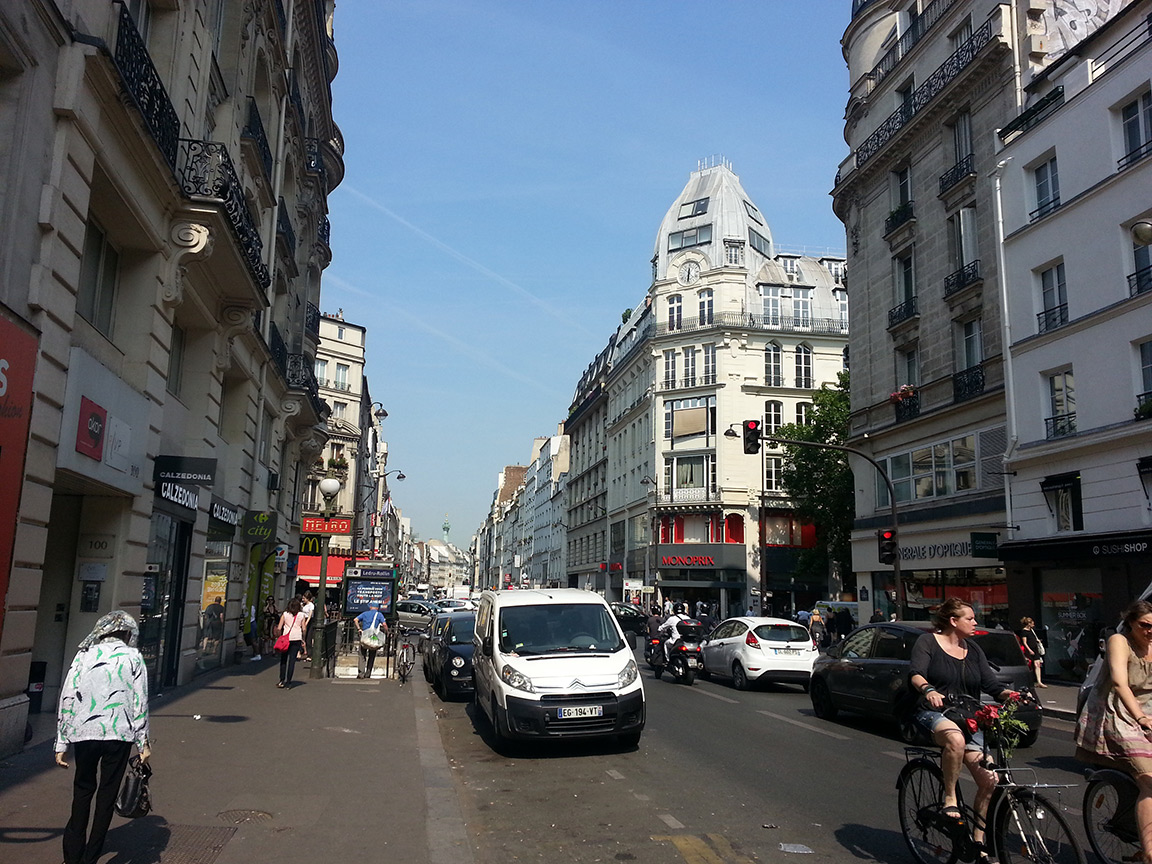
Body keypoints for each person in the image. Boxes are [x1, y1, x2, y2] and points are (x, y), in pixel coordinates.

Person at [909, 598, 1017, 859]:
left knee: (990, 779)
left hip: (968, 718)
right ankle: (949, 799)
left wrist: (1009, 695)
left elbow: (991, 685)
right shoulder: (927, 643)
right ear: (953, 621)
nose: (975, 622)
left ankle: (978, 844)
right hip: (934, 713)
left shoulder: (974, 650)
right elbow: (916, 673)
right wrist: (929, 690)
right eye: (970, 618)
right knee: (955, 740)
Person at [54, 611, 150, 864]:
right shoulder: (133, 658)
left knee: (82, 790)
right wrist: (143, 742)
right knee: (107, 795)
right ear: (127, 633)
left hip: (85, 733)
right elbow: (139, 701)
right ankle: (91, 856)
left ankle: (72, 856)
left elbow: (68, 696)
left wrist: (61, 742)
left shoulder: (84, 655)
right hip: (119, 735)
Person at [1075, 600, 1152, 862]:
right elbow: (1120, 683)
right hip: (1119, 714)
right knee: (1149, 780)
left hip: (1149, 713)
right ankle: (1149, 852)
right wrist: (1141, 717)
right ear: (1131, 622)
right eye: (1145, 625)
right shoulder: (1119, 640)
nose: (1150, 630)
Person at [276, 597, 306, 689]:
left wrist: (279, 636)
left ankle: (281, 680)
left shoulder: (285, 614)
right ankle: (289, 682)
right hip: (296, 638)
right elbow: (304, 628)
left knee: (283, 660)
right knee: (292, 660)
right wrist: (303, 638)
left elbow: (279, 628)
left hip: (286, 639)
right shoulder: (301, 615)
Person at [354, 602, 388, 679]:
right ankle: (368, 673)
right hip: (373, 637)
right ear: (377, 608)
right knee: (372, 655)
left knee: (362, 654)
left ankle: (361, 673)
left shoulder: (365, 613)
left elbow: (355, 619)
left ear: (370, 607)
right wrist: (387, 632)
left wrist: (359, 629)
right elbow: (384, 624)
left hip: (364, 636)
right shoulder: (379, 615)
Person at [1018, 616, 1046, 688]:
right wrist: (1029, 650)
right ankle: (1028, 681)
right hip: (1030, 650)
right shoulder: (1024, 632)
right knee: (1029, 665)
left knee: (1037, 664)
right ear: (1028, 624)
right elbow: (1024, 642)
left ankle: (1039, 681)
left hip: (1035, 649)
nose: (1033, 625)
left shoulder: (1031, 630)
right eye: (1032, 624)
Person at [299, 591, 315, 661]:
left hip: (308, 620)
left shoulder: (311, 605)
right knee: (302, 637)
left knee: (308, 638)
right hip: (303, 619)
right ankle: (302, 651)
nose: (303, 600)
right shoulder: (303, 605)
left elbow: (310, 615)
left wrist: (306, 622)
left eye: (304, 598)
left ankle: (309, 654)